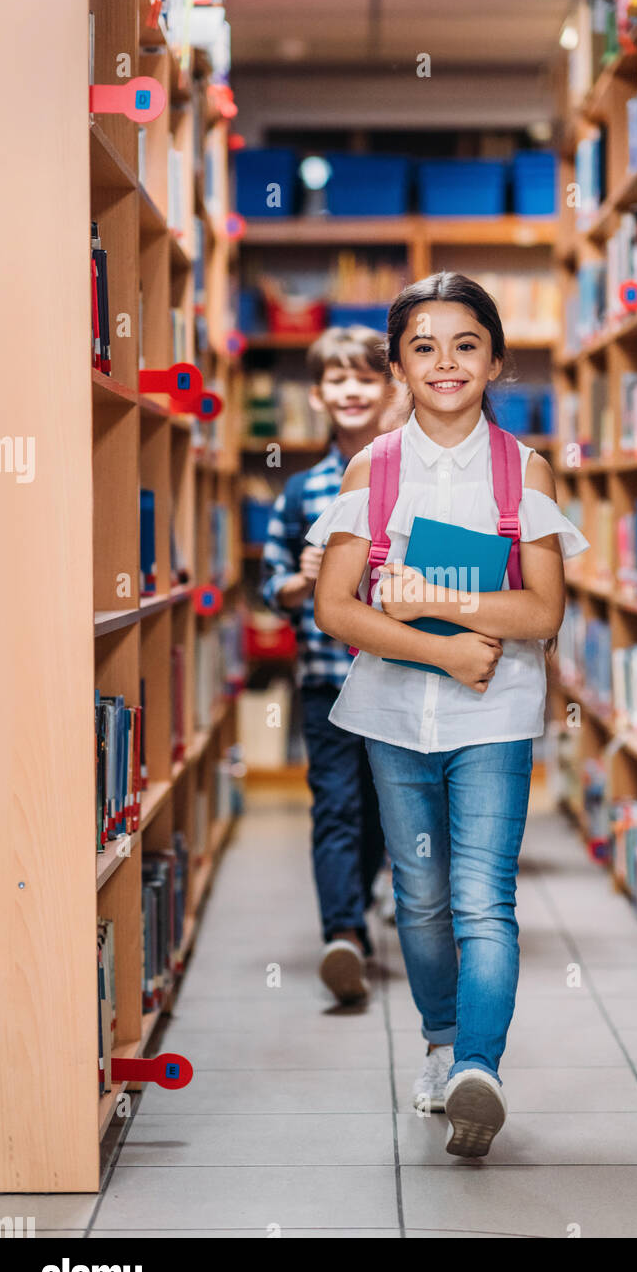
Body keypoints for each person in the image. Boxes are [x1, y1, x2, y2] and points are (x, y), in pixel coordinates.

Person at [306, 273, 588, 1157]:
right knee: (422, 900)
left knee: (482, 900)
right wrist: (440, 646)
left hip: (495, 717)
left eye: (465, 344)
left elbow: (542, 612)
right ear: (396, 365)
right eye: (422, 347)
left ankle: (479, 1067)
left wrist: (434, 597)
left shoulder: (523, 470)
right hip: (394, 716)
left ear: (495, 359)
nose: (445, 363)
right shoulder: (371, 469)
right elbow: (335, 608)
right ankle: (438, 1039)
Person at [261, 325, 403, 1004]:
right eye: (336, 380)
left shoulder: (407, 481)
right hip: (325, 679)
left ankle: (360, 904)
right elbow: (270, 580)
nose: (351, 391)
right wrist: (300, 579)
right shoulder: (301, 492)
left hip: (401, 674)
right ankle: (341, 933)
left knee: (381, 810)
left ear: (387, 390)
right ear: (317, 396)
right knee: (337, 807)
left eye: (364, 378)